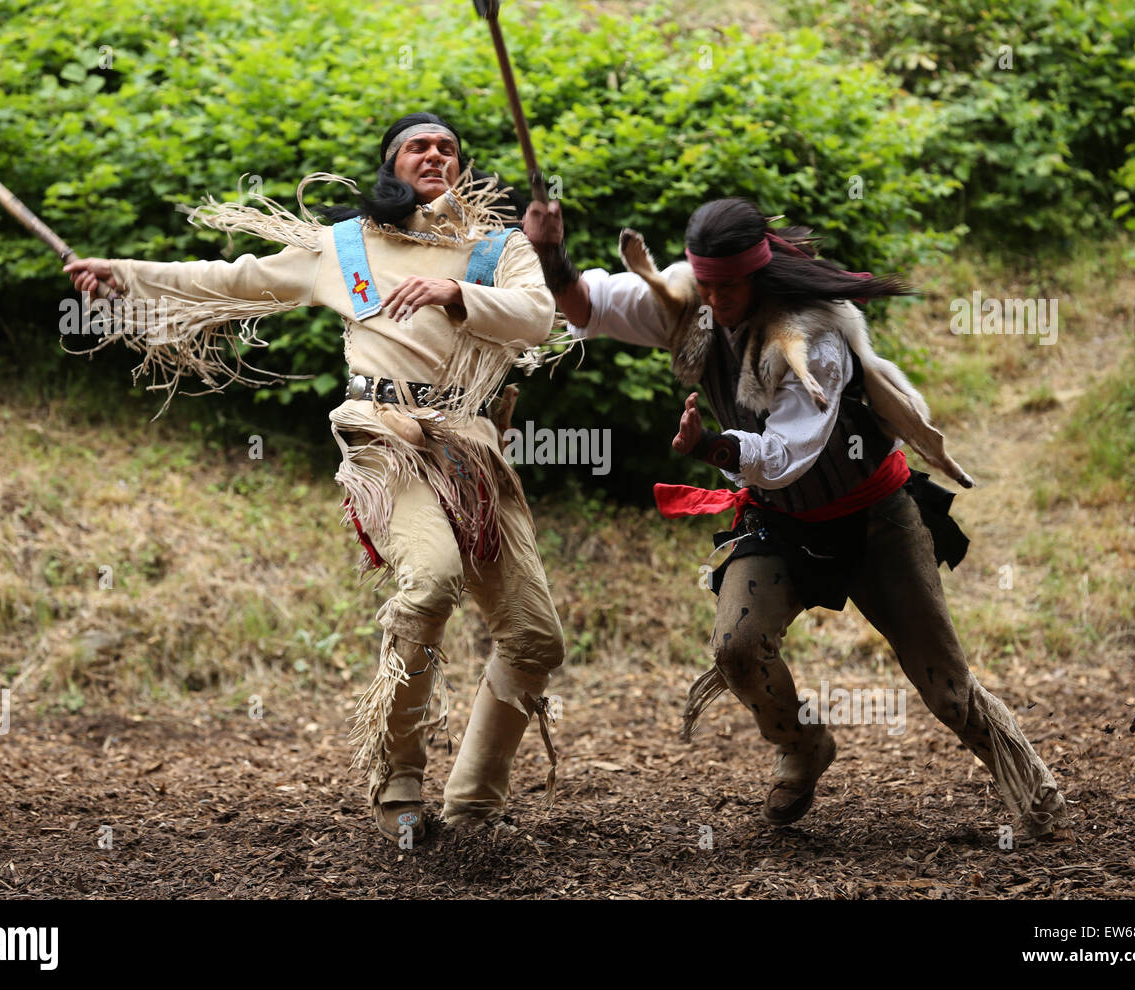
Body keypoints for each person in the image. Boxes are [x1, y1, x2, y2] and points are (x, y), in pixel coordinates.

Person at [66, 112, 565, 844]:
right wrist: (124, 275)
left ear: (460, 166)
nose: (436, 155)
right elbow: (231, 280)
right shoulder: (344, 247)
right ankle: (398, 781)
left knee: (533, 638)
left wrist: (453, 292)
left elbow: (538, 317)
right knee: (429, 581)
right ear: (390, 165)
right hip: (385, 440)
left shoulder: (496, 246)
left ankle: (474, 809)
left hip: (474, 449)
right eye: (418, 146)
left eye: (447, 148)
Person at [524, 196, 1070, 839]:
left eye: (729, 287)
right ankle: (803, 745)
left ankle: (1031, 788)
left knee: (947, 692)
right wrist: (550, 250)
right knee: (737, 647)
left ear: (759, 275)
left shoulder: (813, 338)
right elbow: (588, 305)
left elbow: (785, 456)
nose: (716, 300)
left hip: (873, 520)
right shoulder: (691, 302)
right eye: (706, 284)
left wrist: (710, 447)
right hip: (779, 525)